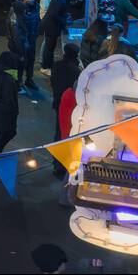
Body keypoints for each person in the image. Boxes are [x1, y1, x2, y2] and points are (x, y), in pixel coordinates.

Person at [49, 43, 82, 176]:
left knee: (59, 133)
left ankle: (57, 163)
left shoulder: (56, 65)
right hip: (71, 106)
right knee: (67, 134)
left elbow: (53, 82)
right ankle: (64, 164)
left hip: (58, 102)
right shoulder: (76, 71)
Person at [38, 0, 70, 74]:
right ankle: (45, 66)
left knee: (49, 47)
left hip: (51, 26)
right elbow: (52, 14)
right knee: (48, 47)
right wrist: (63, 20)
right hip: (50, 26)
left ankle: (47, 64)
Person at [13, 0, 41, 89]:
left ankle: (29, 79)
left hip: (32, 38)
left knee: (31, 59)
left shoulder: (35, 7)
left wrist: (35, 33)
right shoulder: (17, 9)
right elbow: (12, 28)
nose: (33, 0)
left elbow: (37, 21)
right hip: (21, 40)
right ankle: (18, 81)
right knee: (20, 60)